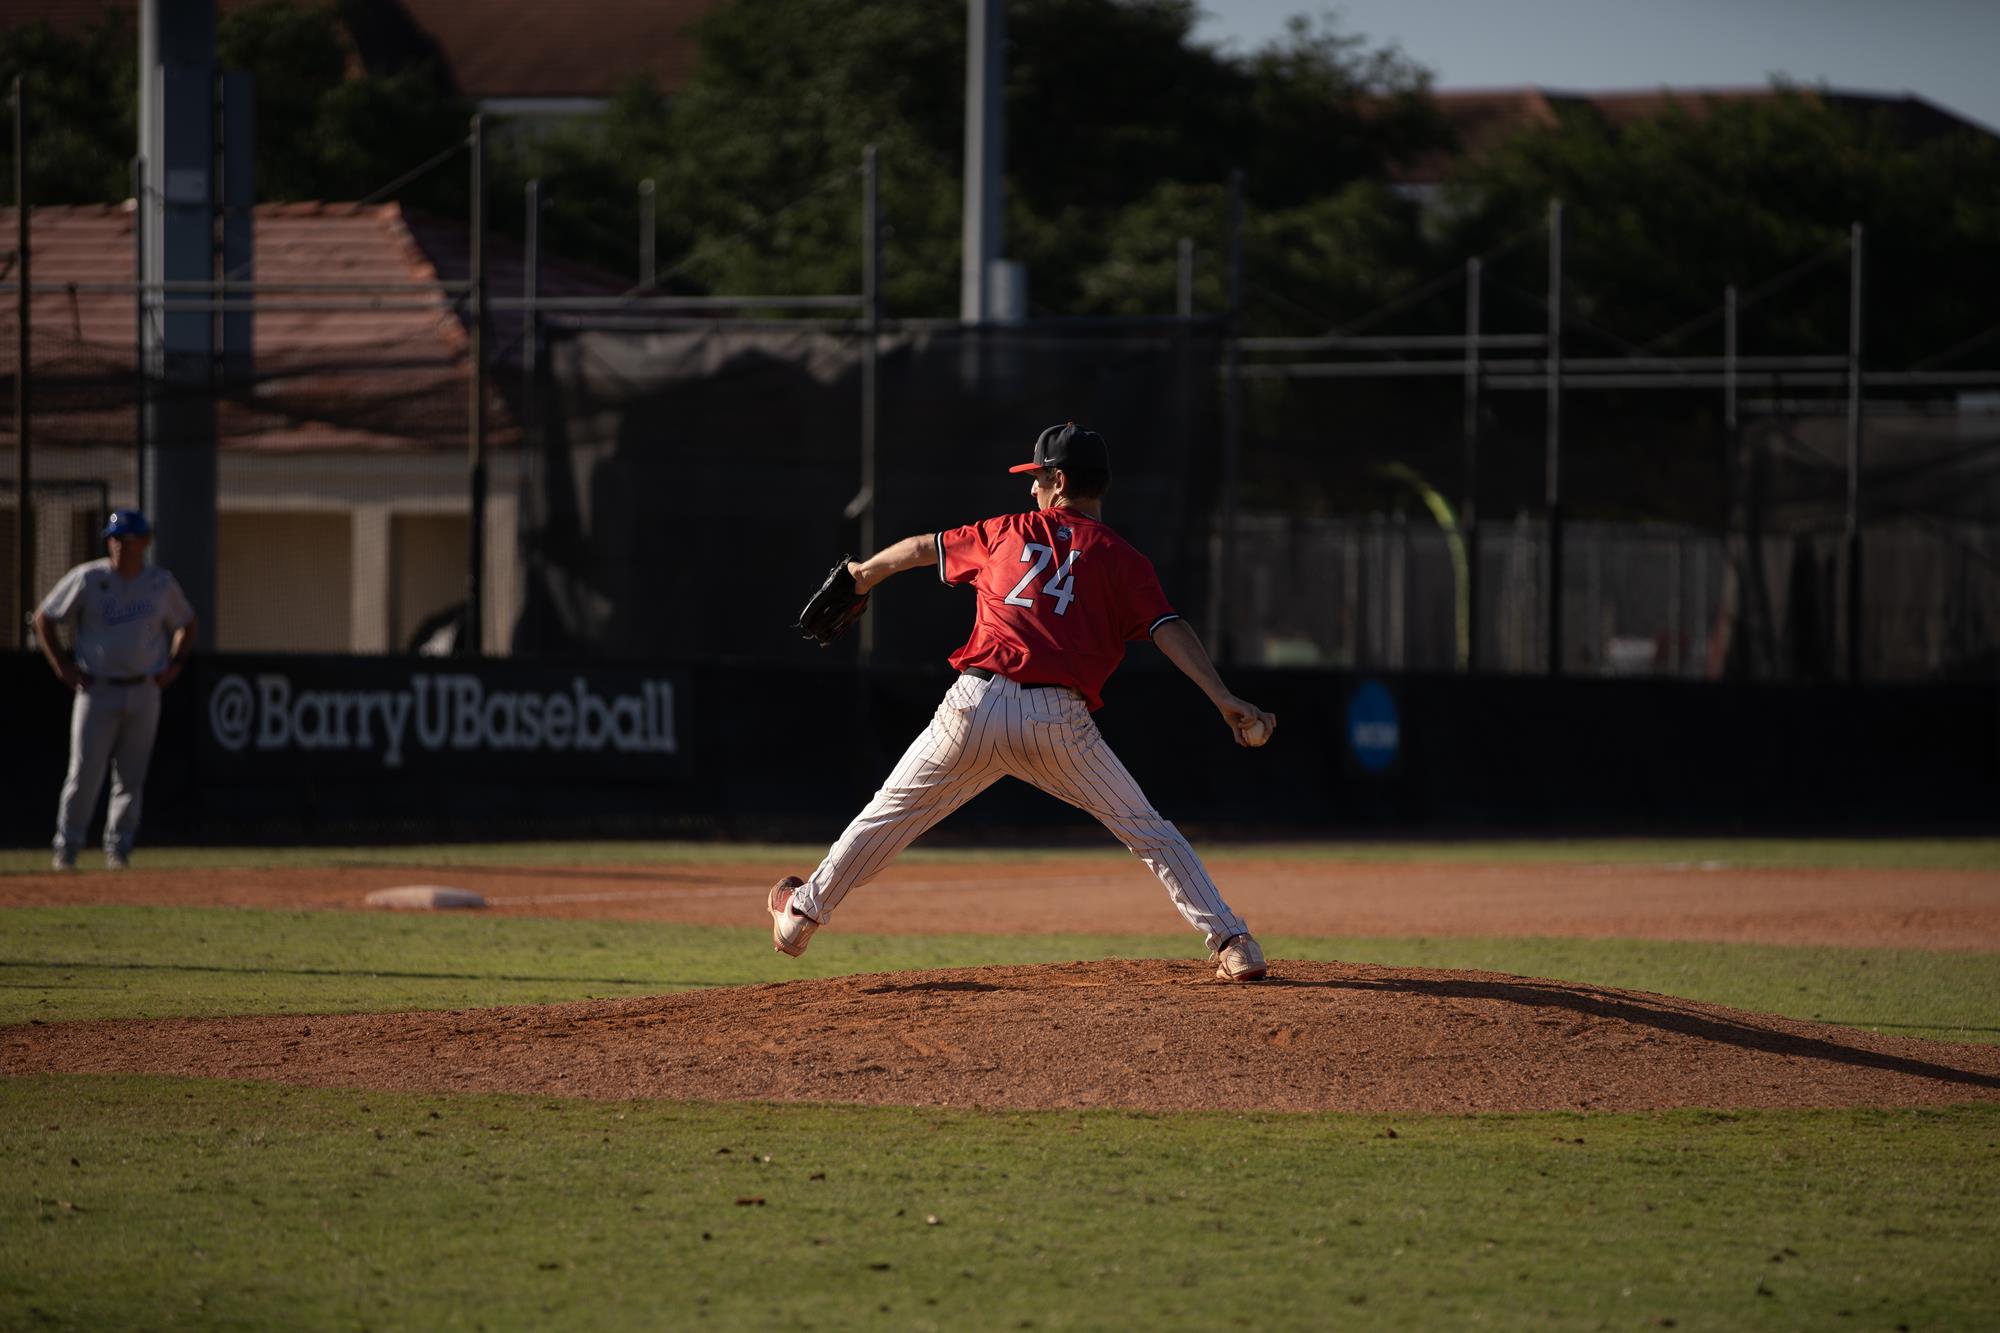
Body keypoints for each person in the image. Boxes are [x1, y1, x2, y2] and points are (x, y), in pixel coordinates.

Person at [770, 422, 1278, 981]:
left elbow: (920, 549)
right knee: (1148, 831)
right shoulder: (1122, 558)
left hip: (974, 708)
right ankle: (1233, 942)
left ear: (1058, 481)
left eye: (1037, 479)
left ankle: (799, 917)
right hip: (1058, 725)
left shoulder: (1006, 531)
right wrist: (1223, 696)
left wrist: (862, 576)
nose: (1031, 489)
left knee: (890, 814)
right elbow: (1168, 628)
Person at [33, 508, 198, 870]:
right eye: (114, 539)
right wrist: (61, 665)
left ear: (144, 542)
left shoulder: (159, 583)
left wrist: (175, 664)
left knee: (131, 775)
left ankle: (118, 851)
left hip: (144, 689)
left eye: (126, 539)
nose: (119, 546)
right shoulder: (90, 578)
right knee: (84, 773)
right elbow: (44, 616)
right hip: (97, 688)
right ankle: (67, 848)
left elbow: (187, 622)